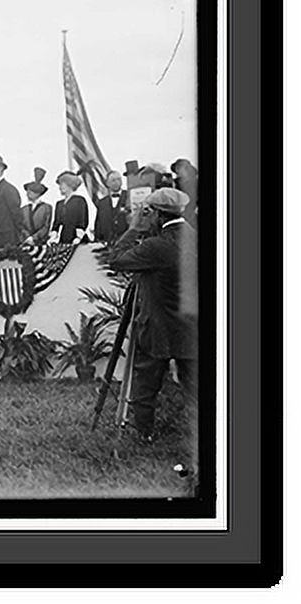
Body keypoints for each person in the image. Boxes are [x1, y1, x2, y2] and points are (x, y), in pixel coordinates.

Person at [107, 188, 198, 476]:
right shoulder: (196, 237)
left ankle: (144, 433)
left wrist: (135, 228)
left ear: (156, 215)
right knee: (195, 388)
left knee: (146, 385)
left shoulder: (157, 246)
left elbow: (116, 259)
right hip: (192, 328)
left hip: (158, 327)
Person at [50, 171, 90, 245]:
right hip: (63, 239)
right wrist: (53, 236)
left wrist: (78, 238)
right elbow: (56, 223)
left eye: (62, 184)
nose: (60, 187)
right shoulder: (59, 204)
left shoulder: (79, 200)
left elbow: (82, 221)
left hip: (76, 239)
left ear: (70, 185)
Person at [94, 171, 130, 244]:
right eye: (113, 180)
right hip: (107, 243)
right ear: (107, 183)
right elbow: (98, 224)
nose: (116, 182)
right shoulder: (101, 203)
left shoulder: (129, 197)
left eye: (119, 179)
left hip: (126, 243)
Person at [21, 167, 53, 246]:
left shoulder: (46, 208)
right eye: (27, 191)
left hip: (40, 243)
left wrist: (34, 238)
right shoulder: (23, 209)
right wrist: (27, 237)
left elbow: (46, 227)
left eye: (30, 192)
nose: (27, 194)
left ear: (38, 193)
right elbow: (21, 226)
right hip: (25, 243)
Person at [171, 158, 199, 227]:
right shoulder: (175, 183)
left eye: (179, 168)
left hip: (191, 216)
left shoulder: (195, 183)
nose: (177, 172)